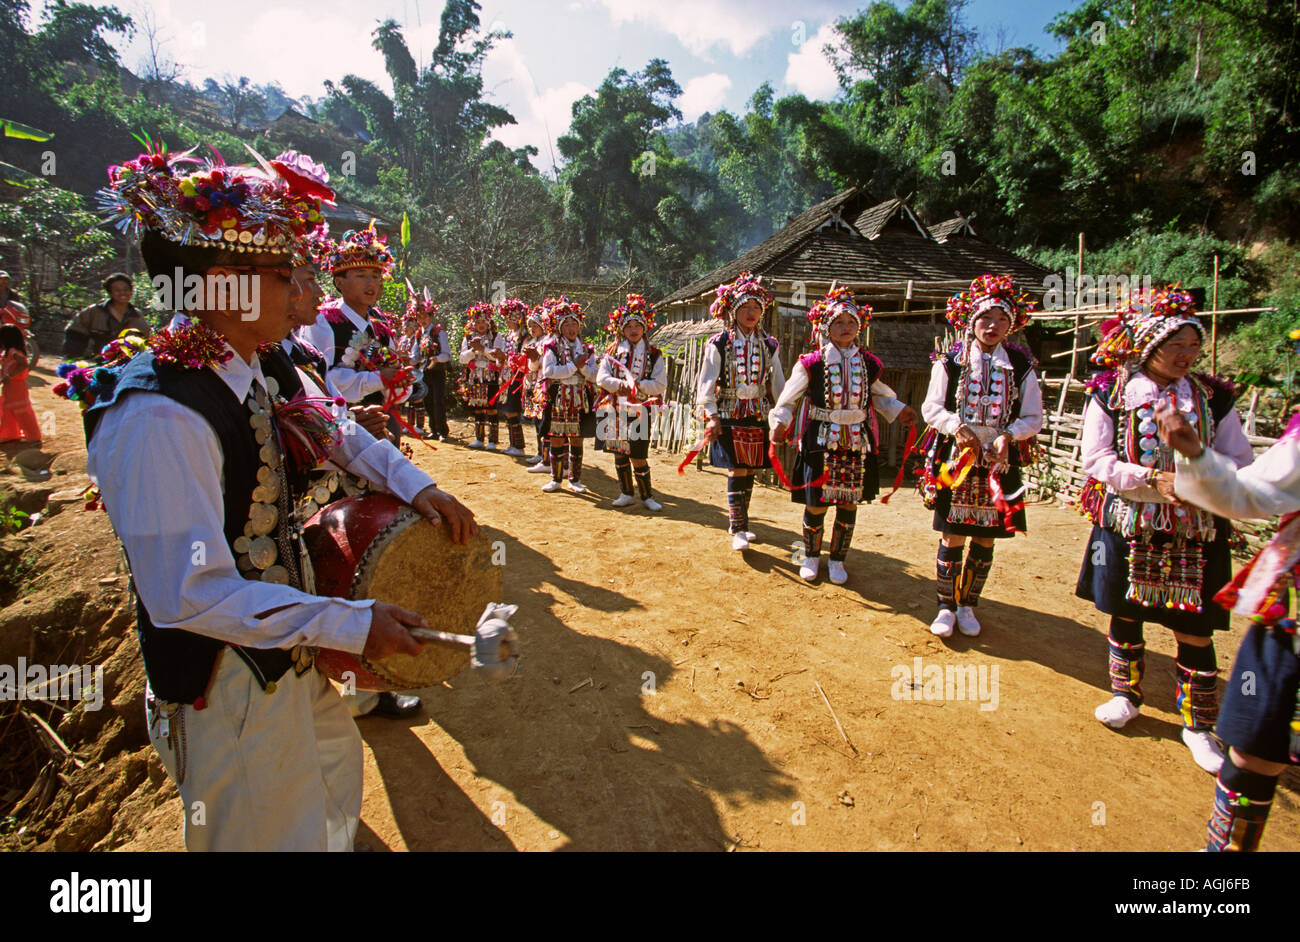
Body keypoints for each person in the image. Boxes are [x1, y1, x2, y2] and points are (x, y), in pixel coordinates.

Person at [79, 145, 478, 851]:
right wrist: (351, 626)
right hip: (226, 687)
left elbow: (338, 431)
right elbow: (188, 596)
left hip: (292, 648)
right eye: (286, 274)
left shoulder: (251, 367)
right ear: (225, 285)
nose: (304, 295)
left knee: (326, 806)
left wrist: (418, 486)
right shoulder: (160, 412)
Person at [1075, 286, 1254, 774]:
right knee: (1125, 613)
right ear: (1148, 345)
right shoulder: (1111, 393)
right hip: (1130, 520)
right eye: (1175, 345)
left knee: (1194, 627)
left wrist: (1196, 478)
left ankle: (1198, 725)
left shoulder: (1213, 398)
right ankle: (1124, 695)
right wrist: (1151, 479)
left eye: (1193, 347)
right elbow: (1096, 459)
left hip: (1194, 529)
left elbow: (1241, 459)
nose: (1186, 356)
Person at [1156, 389, 1300, 850]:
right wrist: (1195, 454)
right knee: (1258, 743)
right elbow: (1249, 492)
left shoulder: (1213, 399)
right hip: (1292, 616)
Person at [919, 274, 1042, 638]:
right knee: (951, 534)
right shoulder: (950, 362)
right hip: (956, 459)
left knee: (986, 538)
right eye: (986, 318)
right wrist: (957, 428)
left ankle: (968, 604)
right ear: (971, 322)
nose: (993, 326)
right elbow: (931, 407)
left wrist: (1009, 435)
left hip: (1000, 461)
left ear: (1012, 324)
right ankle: (944, 606)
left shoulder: (1021, 365)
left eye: (1002, 319)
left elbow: (1033, 416)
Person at [770, 287, 916, 583]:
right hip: (820, 441)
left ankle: (837, 559)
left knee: (849, 501)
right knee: (817, 502)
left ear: (859, 327)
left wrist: (899, 410)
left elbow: (881, 396)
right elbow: (788, 398)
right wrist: (780, 420)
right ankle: (810, 555)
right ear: (826, 327)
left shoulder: (869, 363)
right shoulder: (811, 363)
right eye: (839, 322)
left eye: (851, 322)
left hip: (856, 443)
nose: (846, 328)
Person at [696, 272, 786, 550]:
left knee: (750, 471)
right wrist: (710, 415)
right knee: (736, 470)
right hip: (729, 412)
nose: (751, 312)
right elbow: (707, 382)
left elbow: (779, 382)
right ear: (733, 311)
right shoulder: (719, 343)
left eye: (757, 308)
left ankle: (742, 523)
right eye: (746, 307)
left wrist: (782, 414)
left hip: (757, 413)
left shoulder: (769, 344)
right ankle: (738, 527)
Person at [596, 294, 667, 512]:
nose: (633, 330)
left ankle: (647, 495)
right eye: (629, 326)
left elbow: (660, 383)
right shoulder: (612, 352)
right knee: (619, 451)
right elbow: (601, 378)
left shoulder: (654, 354)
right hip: (616, 408)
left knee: (638, 455)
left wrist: (638, 385)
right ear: (621, 329)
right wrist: (619, 384)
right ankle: (626, 493)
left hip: (640, 411)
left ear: (645, 328)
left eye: (638, 325)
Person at [539, 296, 597, 493]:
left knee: (576, 437)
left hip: (579, 397)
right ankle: (556, 479)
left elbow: (595, 374)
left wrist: (582, 370)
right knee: (556, 436)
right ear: (559, 328)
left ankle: (575, 479)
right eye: (567, 325)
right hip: (559, 396)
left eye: (574, 324)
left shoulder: (587, 348)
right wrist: (574, 365)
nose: (571, 329)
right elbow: (549, 372)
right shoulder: (552, 348)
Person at [64, 273, 152, 357]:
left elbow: (146, 341)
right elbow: (74, 332)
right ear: (110, 293)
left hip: (125, 364)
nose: (122, 293)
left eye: (126, 290)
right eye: (117, 290)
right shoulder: (94, 311)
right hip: (95, 361)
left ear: (131, 292)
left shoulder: (136, 315)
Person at [458, 301, 506, 449]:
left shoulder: (496, 337)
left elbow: (497, 357)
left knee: (491, 407)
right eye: (477, 322)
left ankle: (492, 441)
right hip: (474, 376)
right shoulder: (468, 339)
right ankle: (479, 439)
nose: (480, 325)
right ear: (473, 324)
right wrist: (473, 350)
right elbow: (462, 358)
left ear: (489, 323)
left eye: (483, 322)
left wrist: (483, 349)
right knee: (477, 406)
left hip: (490, 375)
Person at [497, 298, 532, 457]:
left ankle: (519, 446)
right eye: (506, 318)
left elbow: (522, 358)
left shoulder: (524, 337)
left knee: (512, 411)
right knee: (507, 411)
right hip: (506, 376)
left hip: (517, 378)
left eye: (511, 318)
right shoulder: (509, 336)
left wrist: (505, 357)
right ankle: (513, 444)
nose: (508, 322)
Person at [0, 324, 41, 444]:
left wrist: (10, 375)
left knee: (21, 410)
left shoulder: (13, 352)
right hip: (10, 386)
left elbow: (24, 364)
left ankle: (33, 436)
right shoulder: (8, 352)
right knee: (7, 409)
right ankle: (9, 434)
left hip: (17, 385)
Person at [522, 305, 551, 471]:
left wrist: (536, 358)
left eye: (535, 325)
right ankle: (541, 453)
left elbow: (543, 364)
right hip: (532, 386)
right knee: (536, 421)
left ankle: (547, 457)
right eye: (530, 326)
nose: (532, 329)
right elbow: (531, 366)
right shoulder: (531, 342)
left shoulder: (547, 342)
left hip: (543, 386)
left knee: (543, 422)